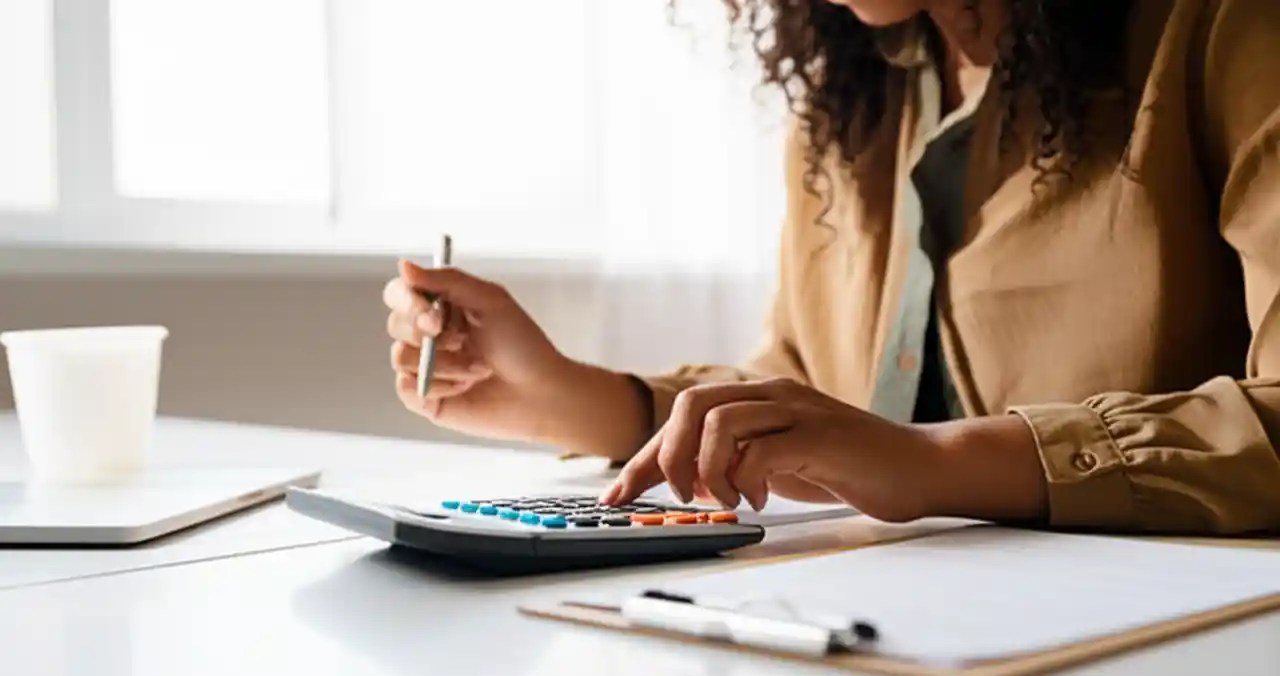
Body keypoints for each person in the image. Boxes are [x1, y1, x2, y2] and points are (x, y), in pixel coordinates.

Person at [382, 0, 1280, 534]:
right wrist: (567, 395)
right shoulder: (855, 95)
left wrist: (934, 462)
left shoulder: (1227, 28)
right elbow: (803, 398)